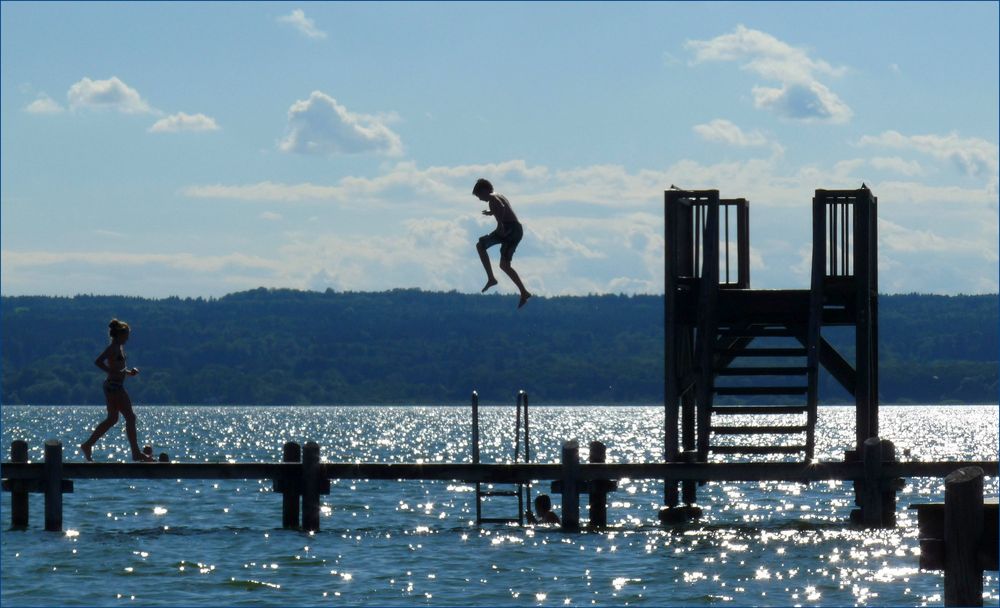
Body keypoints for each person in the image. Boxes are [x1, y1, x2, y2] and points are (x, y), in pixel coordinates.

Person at [81, 319, 154, 462]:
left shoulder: (119, 347)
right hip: (114, 386)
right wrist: (110, 371)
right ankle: (136, 453)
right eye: (126, 335)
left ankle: (87, 445)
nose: (128, 338)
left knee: (112, 419)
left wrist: (128, 372)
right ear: (120, 335)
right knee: (130, 417)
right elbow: (98, 361)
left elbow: (119, 367)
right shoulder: (113, 347)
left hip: (113, 385)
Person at [472, 178, 532, 309]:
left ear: (484, 190)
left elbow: (502, 207)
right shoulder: (499, 195)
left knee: (480, 245)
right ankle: (524, 292)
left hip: (508, 229)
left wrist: (500, 224)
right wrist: (492, 213)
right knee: (504, 265)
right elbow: (502, 206)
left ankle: (491, 278)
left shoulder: (493, 198)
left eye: (479, 196)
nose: (479, 199)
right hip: (516, 230)